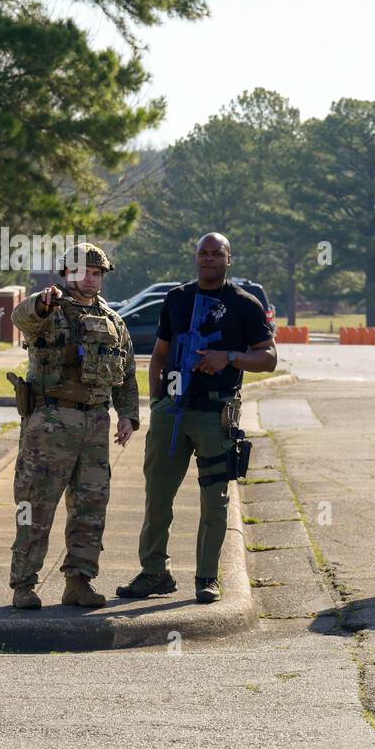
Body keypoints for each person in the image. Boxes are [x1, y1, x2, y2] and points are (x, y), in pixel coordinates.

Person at [117, 233, 277, 603]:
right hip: (171, 414)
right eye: (203, 253)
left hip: (215, 415)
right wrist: (156, 401)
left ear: (228, 259)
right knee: (157, 497)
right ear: (196, 257)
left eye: (216, 253)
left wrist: (229, 357)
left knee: (214, 501)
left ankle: (207, 578)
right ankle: (154, 573)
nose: (208, 259)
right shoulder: (177, 298)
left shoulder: (246, 305)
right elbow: (160, 353)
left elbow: (268, 358)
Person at [9, 243, 139, 609]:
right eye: (83, 270)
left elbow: (127, 373)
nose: (90, 277)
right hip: (51, 422)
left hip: (95, 424)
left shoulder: (113, 320)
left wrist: (127, 415)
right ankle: (24, 585)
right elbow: (22, 318)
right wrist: (41, 303)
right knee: (37, 503)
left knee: (91, 506)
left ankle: (79, 581)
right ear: (66, 273)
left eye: (97, 272)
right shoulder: (50, 308)